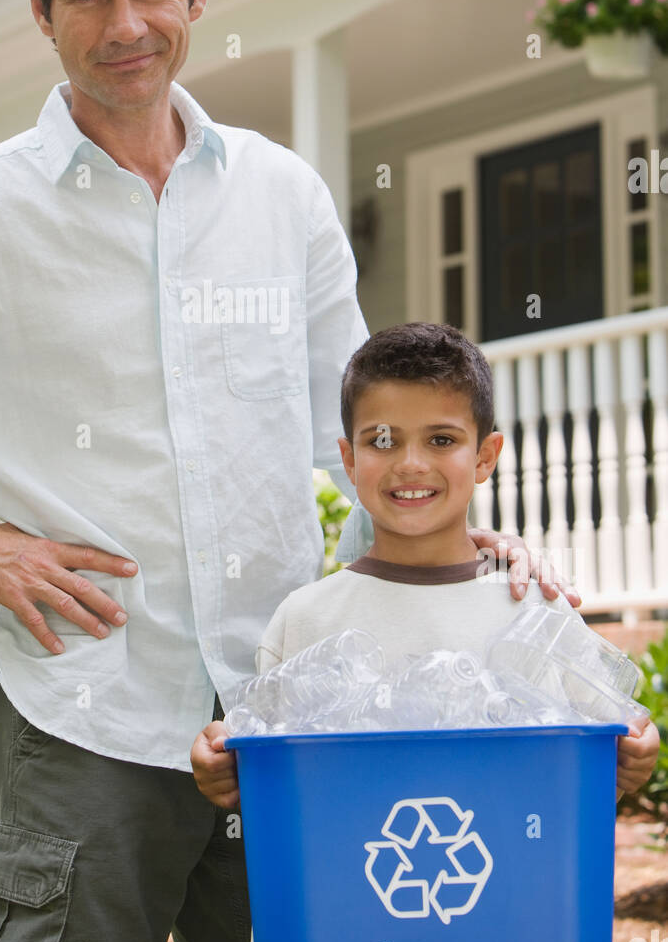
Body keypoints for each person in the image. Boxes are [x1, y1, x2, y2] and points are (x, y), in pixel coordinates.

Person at [0, 0, 569, 942]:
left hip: (282, 710)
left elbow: (353, 432)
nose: (126, 23)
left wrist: (444, 547)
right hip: (85, 710)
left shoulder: (281, 196)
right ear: (40, 13)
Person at [191, 323, 660, 810]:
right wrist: (225, 769)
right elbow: (268, 774)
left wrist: (635, 758)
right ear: (349, 461)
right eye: (382, 440)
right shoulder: (305, 619)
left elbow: (609, 749)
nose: (411, 463)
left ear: (484, 456)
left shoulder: (534, 606)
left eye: (440, 440)